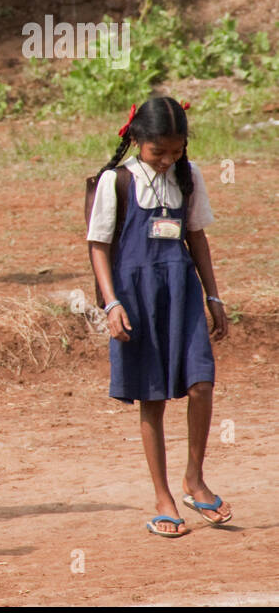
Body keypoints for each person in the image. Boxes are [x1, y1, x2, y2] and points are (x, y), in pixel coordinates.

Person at [87, 97, 232, 537]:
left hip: (183, 293)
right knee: (151, 397)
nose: (168, 160)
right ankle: (163, 497)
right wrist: (111, 305)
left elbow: (197, 237)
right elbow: (98, 246)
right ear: (136, 140)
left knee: (201, 384)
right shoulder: (117, 183)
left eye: (176, 150)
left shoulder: (189, 177)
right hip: (136, 299)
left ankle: (195, 478)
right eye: (159, 152)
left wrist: (214, 296)